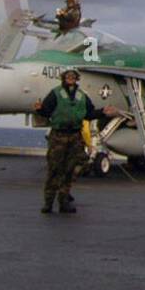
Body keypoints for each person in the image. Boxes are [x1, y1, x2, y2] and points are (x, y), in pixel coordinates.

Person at [34, 69, 117, 214]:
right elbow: (46, 111)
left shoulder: (82, 96)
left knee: (70, 169)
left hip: (74, 136)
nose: (71, 78)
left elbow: (89, 114)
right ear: (63, 78)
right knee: (54, 169)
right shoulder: (55, 93)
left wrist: (103, 111)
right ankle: (48, 203)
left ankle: (64, 201)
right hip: (58, 136)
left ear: (77, 79)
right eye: (68, 76)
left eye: (73, 77)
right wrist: (40, 110)